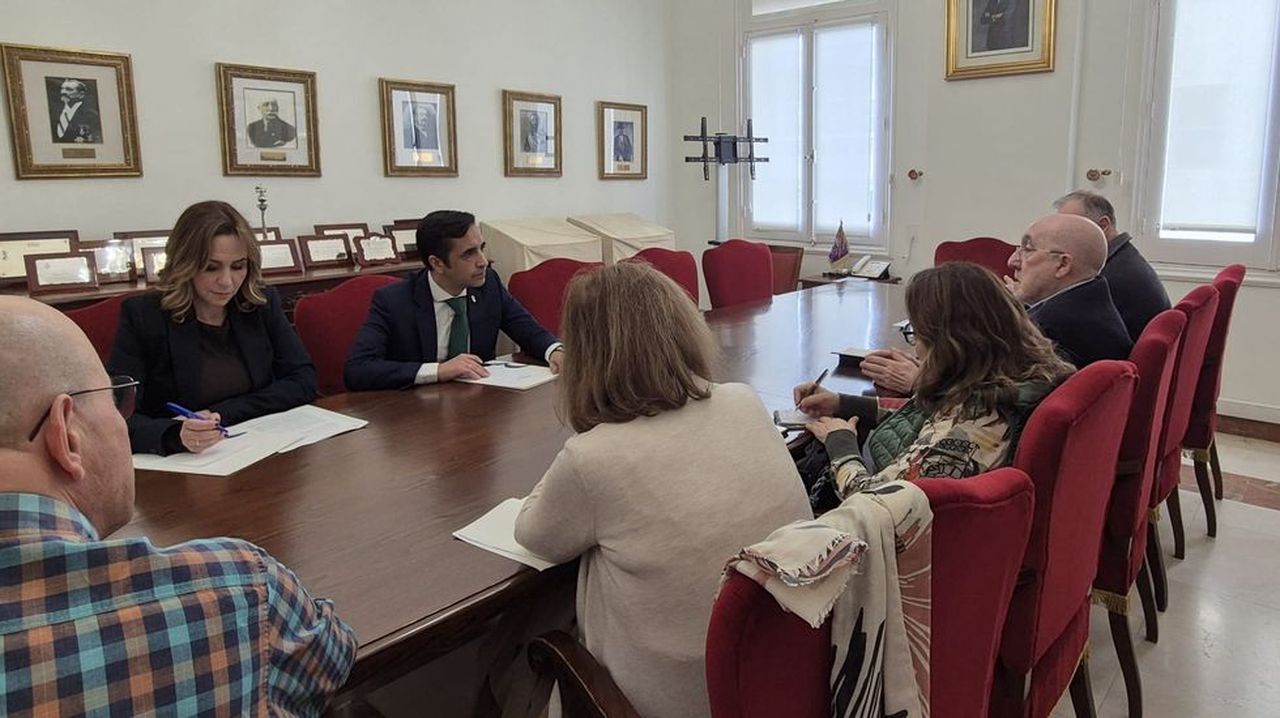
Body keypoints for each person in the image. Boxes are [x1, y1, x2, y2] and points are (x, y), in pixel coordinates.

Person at [0, 296, 355, 715]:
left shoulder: (257, 308)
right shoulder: (239, 589)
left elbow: (301, 377)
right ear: (68, 434)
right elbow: (334, 660)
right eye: (116, 399)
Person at [515, 262, 812, 718]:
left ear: (585, 355)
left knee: (508, 655)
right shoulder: (744, 401)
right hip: (779, 678)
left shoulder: (593, 456)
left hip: (668, 701)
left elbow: (534, 534)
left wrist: (585, 441)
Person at [795, 262, 1074, 500]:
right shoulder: (1008, 380)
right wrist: (842, 403)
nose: (915, 348)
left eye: (916, 333)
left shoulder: (975, 425)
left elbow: (870, 500)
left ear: (950, 342)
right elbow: (934, 417)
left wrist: (840, 441)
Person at [108, 201, 317, 455]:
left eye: (238, 266)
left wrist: (223, 414)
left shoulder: (259, 302)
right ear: (184, 263)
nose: (227, 282)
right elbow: (115, 417)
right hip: (180, 466)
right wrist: (174, 434)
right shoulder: (144, 316)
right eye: (211, 267)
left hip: (257, 449)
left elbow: (302, 380)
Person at [862, 213, 1133, 392]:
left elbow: (1001, 404)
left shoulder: (1059, 326)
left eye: (1027, 249)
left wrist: (919, 382)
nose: (1012, 261)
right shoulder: (1085, 301)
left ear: (1063, 264)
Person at [344, 210, 563, 391]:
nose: (483, 262)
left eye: (482, 249)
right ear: (437, 263)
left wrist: (554, 350)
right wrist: (438, 371)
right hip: (416, 415)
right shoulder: (394, 301)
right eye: (469, 254)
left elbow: (528, 330)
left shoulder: (488, 285)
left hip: (478, 405)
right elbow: (358, 370)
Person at [1054, 190, 1171, 340]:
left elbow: (1064, 320)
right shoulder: (1124, 257)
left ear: (1103, 225)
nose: (1061, 238)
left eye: (1071, 228)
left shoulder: (1111, 274)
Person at [49, 78, 101, 143]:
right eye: (62, 88)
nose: (63, 92)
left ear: (81, 94)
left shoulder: (91, 115)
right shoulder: (52, 112)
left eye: (69, 89)